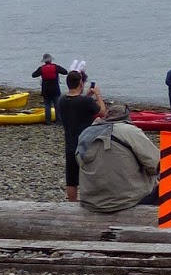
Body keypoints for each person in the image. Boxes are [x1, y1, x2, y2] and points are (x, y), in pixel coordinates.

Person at [74, 104, 161, 212]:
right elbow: (156, 163)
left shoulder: (86, 133)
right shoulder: (128, 131)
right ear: (127, 117)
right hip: (125, 200)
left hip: (91, 200)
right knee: (166, 184)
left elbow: (80, 163)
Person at [56, 71, 104, 202]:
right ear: (81, 83)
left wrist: (88, 95)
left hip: (70, 142)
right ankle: (90, 200)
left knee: (71, 178)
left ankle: (72, 203)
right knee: (89, 173)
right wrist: (98, 94)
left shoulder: (61, 100)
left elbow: (77, 104)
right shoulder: (85, 101)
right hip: (86, 143)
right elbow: (102, 112)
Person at [31, 54, 66, 123]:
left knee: (47, 105)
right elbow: (65, 72)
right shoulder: (56, 67)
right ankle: (58, 120)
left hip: (45, 89)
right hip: (55, 89)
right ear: (50, 60)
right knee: (57, 105)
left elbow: (33, 75)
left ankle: (48, 121)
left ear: (44, 61)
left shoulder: (41, 68)